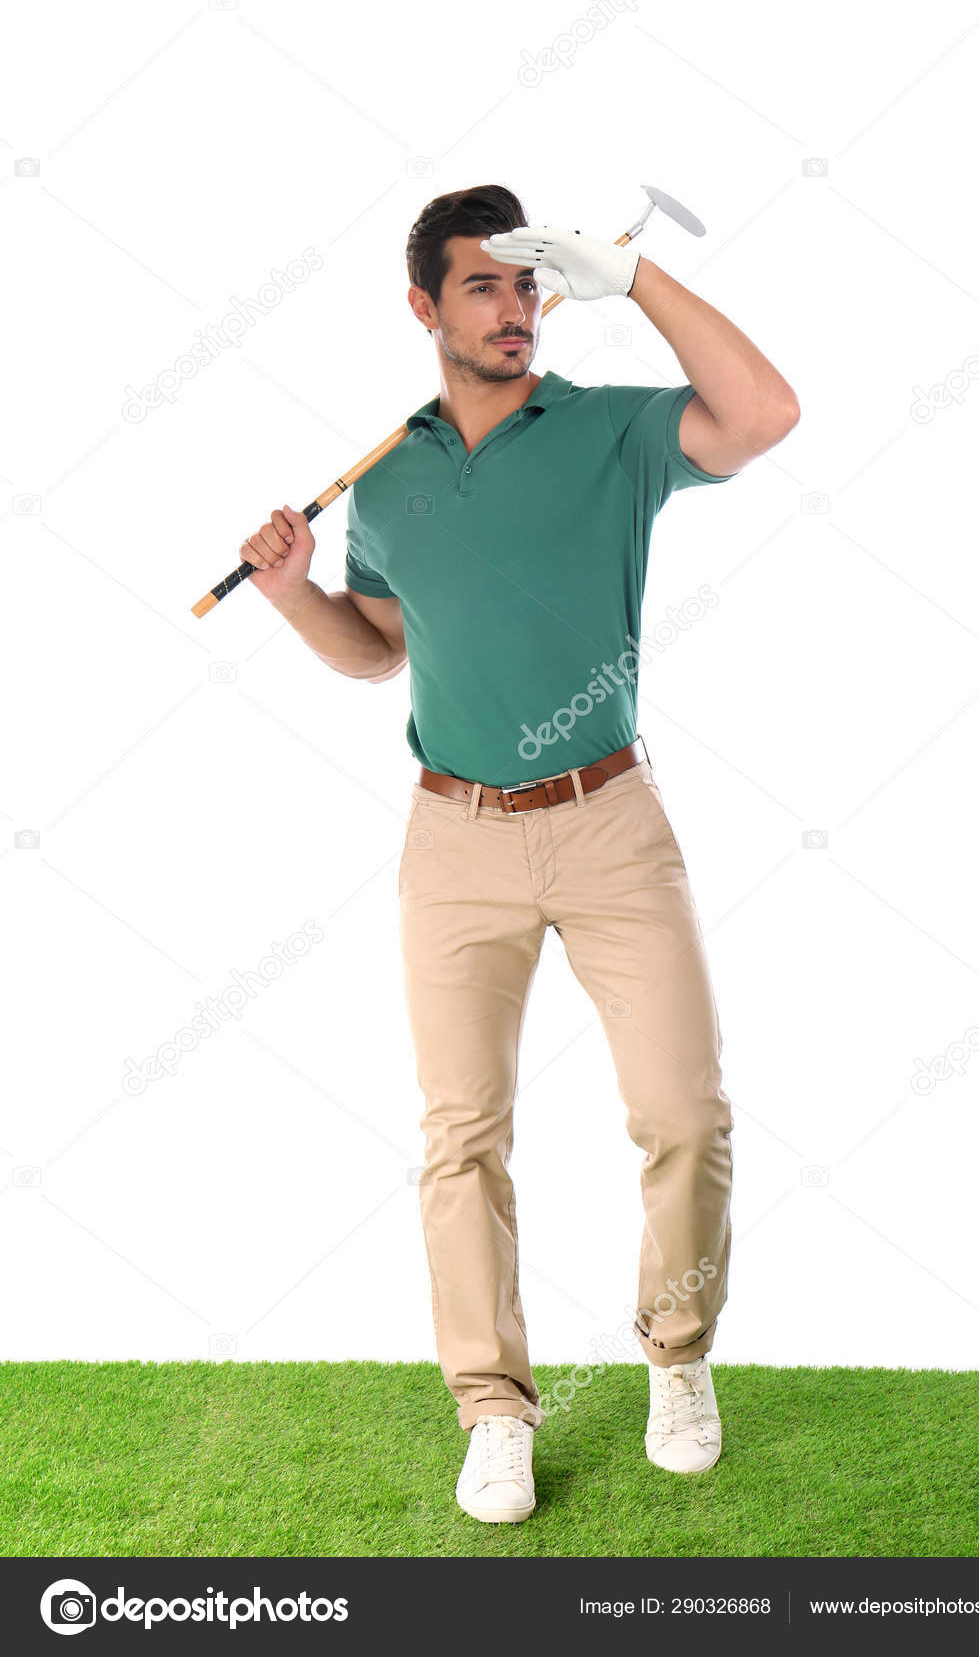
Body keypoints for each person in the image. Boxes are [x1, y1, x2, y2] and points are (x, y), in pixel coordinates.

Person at [238, 184, 799, 1525]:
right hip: (454, 838)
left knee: (683, 1115)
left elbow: (766, 415)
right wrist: (296, 592)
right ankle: (493, 1405)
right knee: (461, 1138)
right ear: (425, 308)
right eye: (484, 286)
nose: (515, 307)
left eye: (529, 283)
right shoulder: (391, 467)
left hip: (611, 823)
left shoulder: (609, 429)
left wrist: (635, 281)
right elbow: (378, 654)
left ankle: (676, 1359)